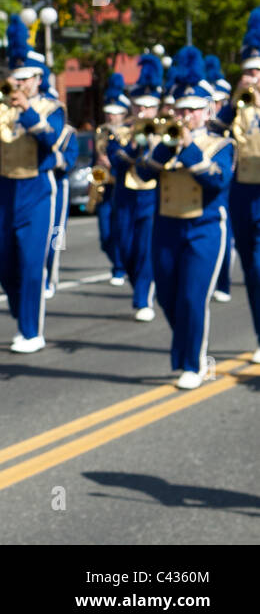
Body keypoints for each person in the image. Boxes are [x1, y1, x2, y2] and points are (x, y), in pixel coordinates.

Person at [135, 47, 233, 389]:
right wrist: (164, 147)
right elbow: (143, 175)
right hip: (166, 226)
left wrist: (189, 148)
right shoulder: (164, 143)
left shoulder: (221, 144)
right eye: (182, 109)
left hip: (204, 227)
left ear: (207, 112)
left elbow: (217, 180)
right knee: (167, 296)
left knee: (193, 297)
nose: (186, 115)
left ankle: (194, 362)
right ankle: (188, 349)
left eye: (193, 110)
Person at [0, 15, 66, 354]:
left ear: (37, 79)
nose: (19, 85)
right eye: (15, 78)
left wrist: (27, 110)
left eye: (25, 78)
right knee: (5, 265)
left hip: (36, 190)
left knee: (32, 262)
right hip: (5, 189)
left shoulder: (52, 107)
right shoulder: (2, 103)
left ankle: (31, 330)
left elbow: (51, 139)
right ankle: (23, 318)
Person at [218, 9, 260, 364]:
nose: (253, 77)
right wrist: (236, 99)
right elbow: (214, 135)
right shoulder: (237, 105)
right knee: (251, 269)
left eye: (258, 71)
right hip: (243, 191)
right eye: (248, 71)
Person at [108, 56, 162, 322]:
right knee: (126, 250)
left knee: (145, 249)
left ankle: (143, 299)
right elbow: (115, 160)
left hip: (152, 197)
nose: (143, 112)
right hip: (126, 197)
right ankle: (137, 286)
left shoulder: (165, 132)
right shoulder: (120, 132)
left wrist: (153, 144)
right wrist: (134, 145)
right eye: (139, 106)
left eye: (149, 107)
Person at [43, 70, 78, 300]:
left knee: (57, 233)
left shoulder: (67, 134)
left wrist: (58, 160)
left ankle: (51, 276)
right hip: (38, 184)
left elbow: (70, 160)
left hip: (59, 185)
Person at [94, 73, 130, 285]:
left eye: (115, 113)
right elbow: (95, 163)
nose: (111, 117)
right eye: (108, 113)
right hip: (105, 189)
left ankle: (119, 267)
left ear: (124, 114)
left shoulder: (128, 133)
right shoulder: (101, 133)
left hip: (122, 188)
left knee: (120, 231)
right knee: (105, 235)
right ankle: (119, 262)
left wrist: (112, 165)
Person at [204, 55, 234, 303]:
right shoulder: (211, 126)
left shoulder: (237, 116)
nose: (215, 105)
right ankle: (219, 280)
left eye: (218, 101)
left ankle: (223, 280)